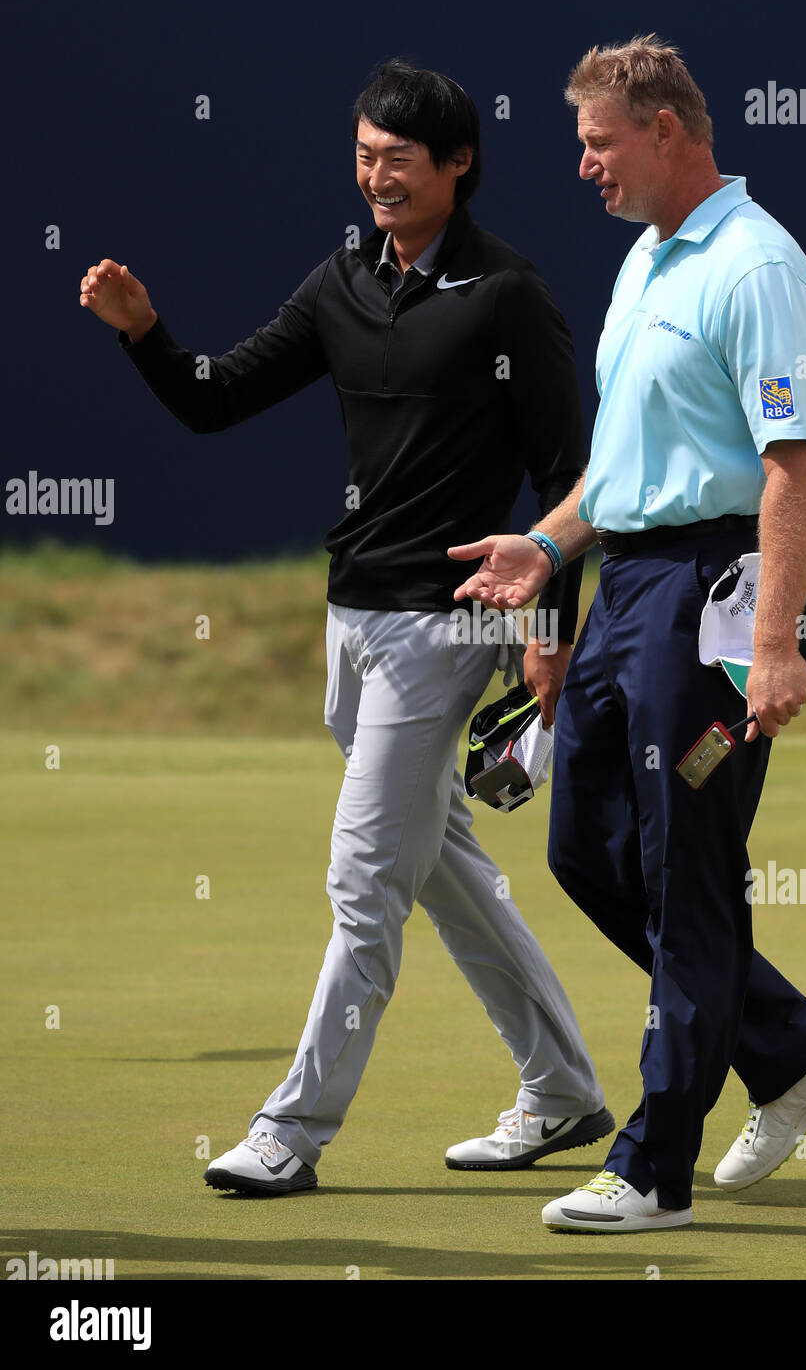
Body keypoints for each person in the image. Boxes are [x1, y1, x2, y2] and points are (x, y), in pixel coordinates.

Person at [79, 60, 612, 1196]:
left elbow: (573, 476)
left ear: (456, 166)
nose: (375, 174)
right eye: (363, 153)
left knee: (364, 877)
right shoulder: (342, 280)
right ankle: (563, 1088)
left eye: (398, 159)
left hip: (448, 627)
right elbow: (215, 397)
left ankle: (290, 1131)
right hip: (351, 619)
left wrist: (548, 628)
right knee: (443, 869)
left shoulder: (508, 295)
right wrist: (144, 334)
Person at [450, 36, 806, 1233]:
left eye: (596, 142)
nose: (582, 165)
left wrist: (774, 640)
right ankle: (789, 1051)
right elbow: (627, 473)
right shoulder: (642, 263)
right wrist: (546, 545)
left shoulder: (754, 266)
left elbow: (789, 465)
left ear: (667, 131)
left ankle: (652, 1164)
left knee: (686, 872)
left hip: (712, 595)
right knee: (585, 848)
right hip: (627, 588)